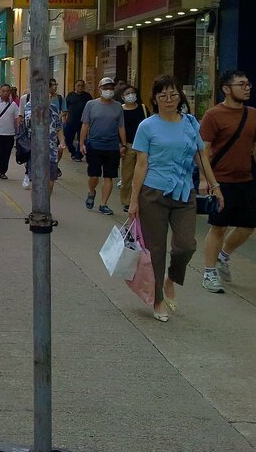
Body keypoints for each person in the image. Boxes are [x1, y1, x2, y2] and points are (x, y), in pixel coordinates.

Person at [129, 75, 222, 322]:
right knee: (156, 249)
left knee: (186, 245)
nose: (169, 100)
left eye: (173, 94)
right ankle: (158, 299)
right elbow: (141, 164)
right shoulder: (147, 126)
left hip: (184, 193)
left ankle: (172, 278)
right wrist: (134, 200)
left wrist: (212, 184)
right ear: (155, 99)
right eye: (162, 95)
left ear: (180, 96)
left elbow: (201, 156)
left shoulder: (191, 124)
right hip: (153, 193)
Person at [199, 70, 256, 294]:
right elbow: (204, 151)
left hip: (245, 180)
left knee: (248, 225)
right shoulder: (213, 115)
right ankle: (209, 273)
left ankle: (223, 256)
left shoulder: (253, 114)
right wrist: (204, 180)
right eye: (241, 84)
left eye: (248, 84)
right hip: (221, 181)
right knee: (218, 226)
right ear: (226, 89)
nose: (247, 88)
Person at [80, 77, 126, 215]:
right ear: (99, 89)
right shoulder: (91, 105)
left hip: (112, 146)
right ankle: (92, 191)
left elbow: (121, 126)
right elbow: (85, 124)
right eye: (106, 88)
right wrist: (82, 143)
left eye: (111, 88)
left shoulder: (118, 106)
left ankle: (103, 204)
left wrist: (123, 144)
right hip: (94, 145)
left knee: (109, 176)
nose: (109, 91)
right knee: (94, 175)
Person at [22, 93, 66, 194]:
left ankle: (45, 207)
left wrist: (62, 141)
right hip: (35, 151)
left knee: (50, 183)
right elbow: (29, 123)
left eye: (50, 96)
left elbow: (58, 127)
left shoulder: (54, 108)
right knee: (37, 183)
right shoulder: (30, 106)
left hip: (51, 152)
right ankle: (37, 209)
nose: (49, 98)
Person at [119, 84, 148, 213]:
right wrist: (122, 145)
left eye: (132, 92)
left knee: (144, 174)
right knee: (127, 175)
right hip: (128, 145)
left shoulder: (143, 108)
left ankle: (140, 200)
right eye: (127, 93)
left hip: (143, 146)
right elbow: (118, 128)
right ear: (122, 97)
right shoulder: (119, 110)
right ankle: (126, 201)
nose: (131, 95)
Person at [65, 79, 90, 161]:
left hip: (82, 122)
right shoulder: (70, 95)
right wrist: (64, 118)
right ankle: (73, 152)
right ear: (75, 86)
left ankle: (78, 155)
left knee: (82, 139)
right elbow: (65, 108)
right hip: (71, 121)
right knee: (68, 139)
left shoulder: (87, 96)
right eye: (78, 85)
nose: (80, 87)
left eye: (82, 86)